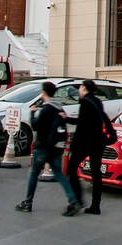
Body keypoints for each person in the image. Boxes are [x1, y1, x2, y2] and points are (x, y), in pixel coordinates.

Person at [16, 81, 79, 216]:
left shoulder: (45, 110)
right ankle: (73, 200)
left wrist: (32, 113)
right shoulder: (59, 108)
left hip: (43, 147)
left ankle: (27, 202)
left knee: (34, 174)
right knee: (60, 175)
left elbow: (35, 126)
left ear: (43, 93)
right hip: (56, 147)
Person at [67, 79, 117, 216]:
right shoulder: (97, 101)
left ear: (83, 88)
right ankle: (96, 205)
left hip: (85, 142)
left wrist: (74, 144)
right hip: (98, 142)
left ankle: (77, 200)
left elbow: (82, 125)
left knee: (71, 169)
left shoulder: (84, 102)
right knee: (96, 174)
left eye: (80, 88)